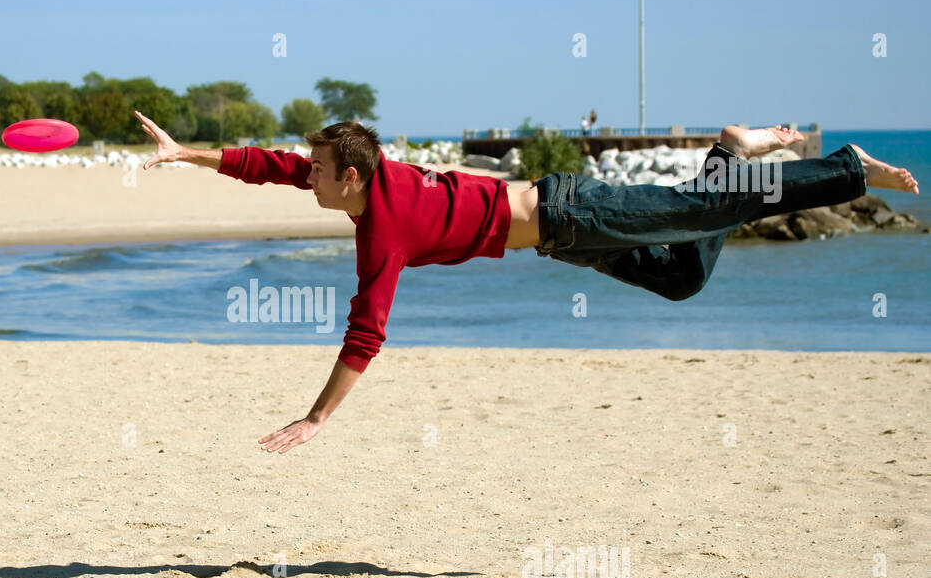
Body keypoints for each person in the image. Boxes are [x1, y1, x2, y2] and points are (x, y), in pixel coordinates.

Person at [134, 110, 919, 453]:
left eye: (316, 171)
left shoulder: (385, 229)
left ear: (347, 174)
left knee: (705, 206)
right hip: (561, 241)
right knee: (683, 278)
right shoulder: (365, 181)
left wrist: (316, 417)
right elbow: (267, 167)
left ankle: (846, 168)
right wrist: (188, 153)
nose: (305, 177)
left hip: (574, 205)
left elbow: (366, 335)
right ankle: (728, 147)